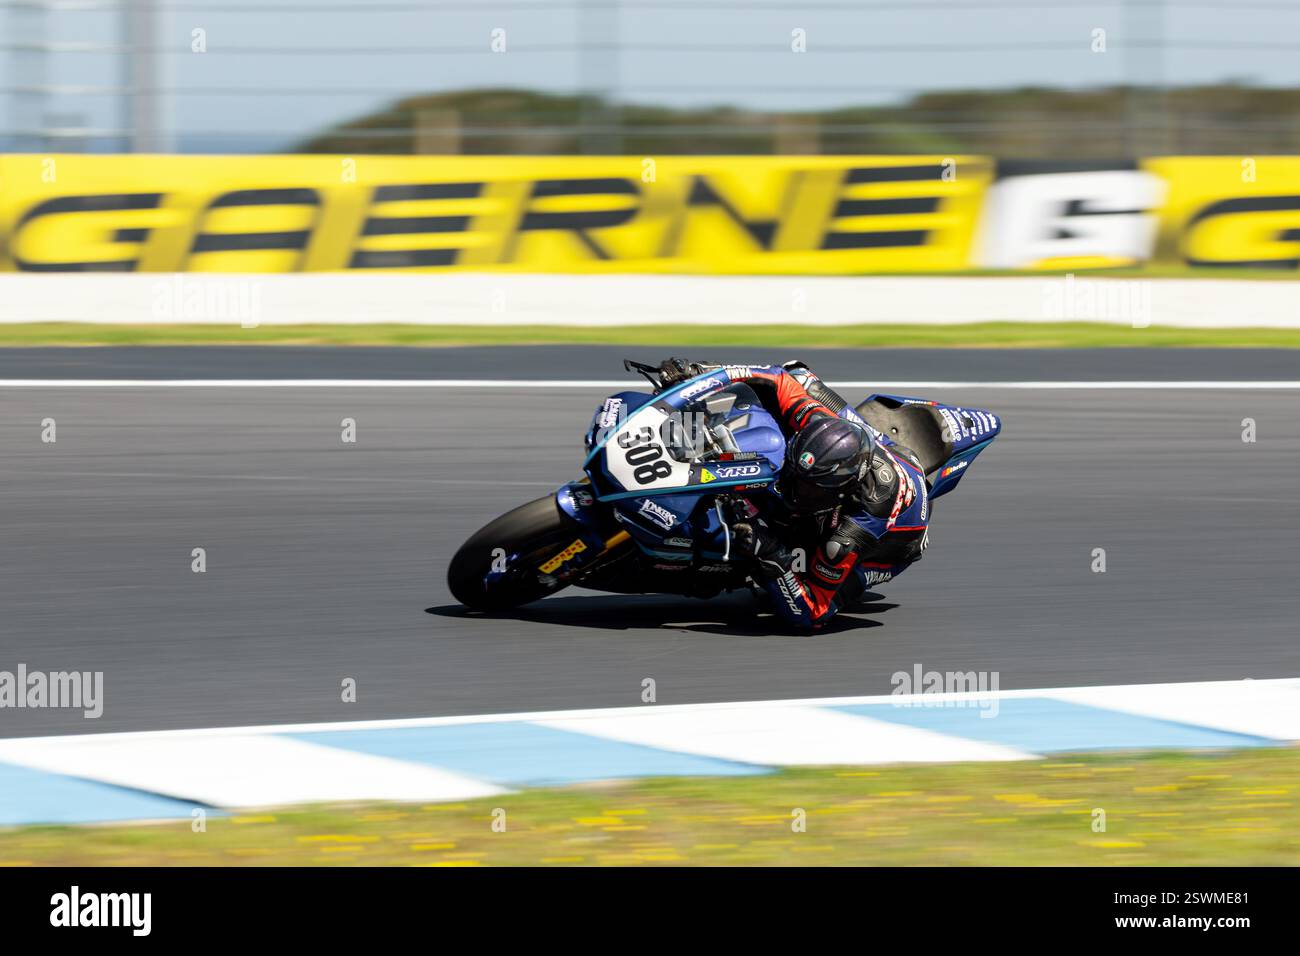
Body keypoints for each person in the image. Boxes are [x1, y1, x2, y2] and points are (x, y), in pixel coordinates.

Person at [657, 357, 930, 629]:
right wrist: (701, 375)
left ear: (838, 493)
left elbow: (813, 612)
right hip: (885, 450)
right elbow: (777, 377)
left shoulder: (855, 529)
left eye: (808, 489)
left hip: (894, 544)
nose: (792, 488)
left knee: (805, 567)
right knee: (797, 375)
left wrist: (772, 553)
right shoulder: (817, 422)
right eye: (795, 477)